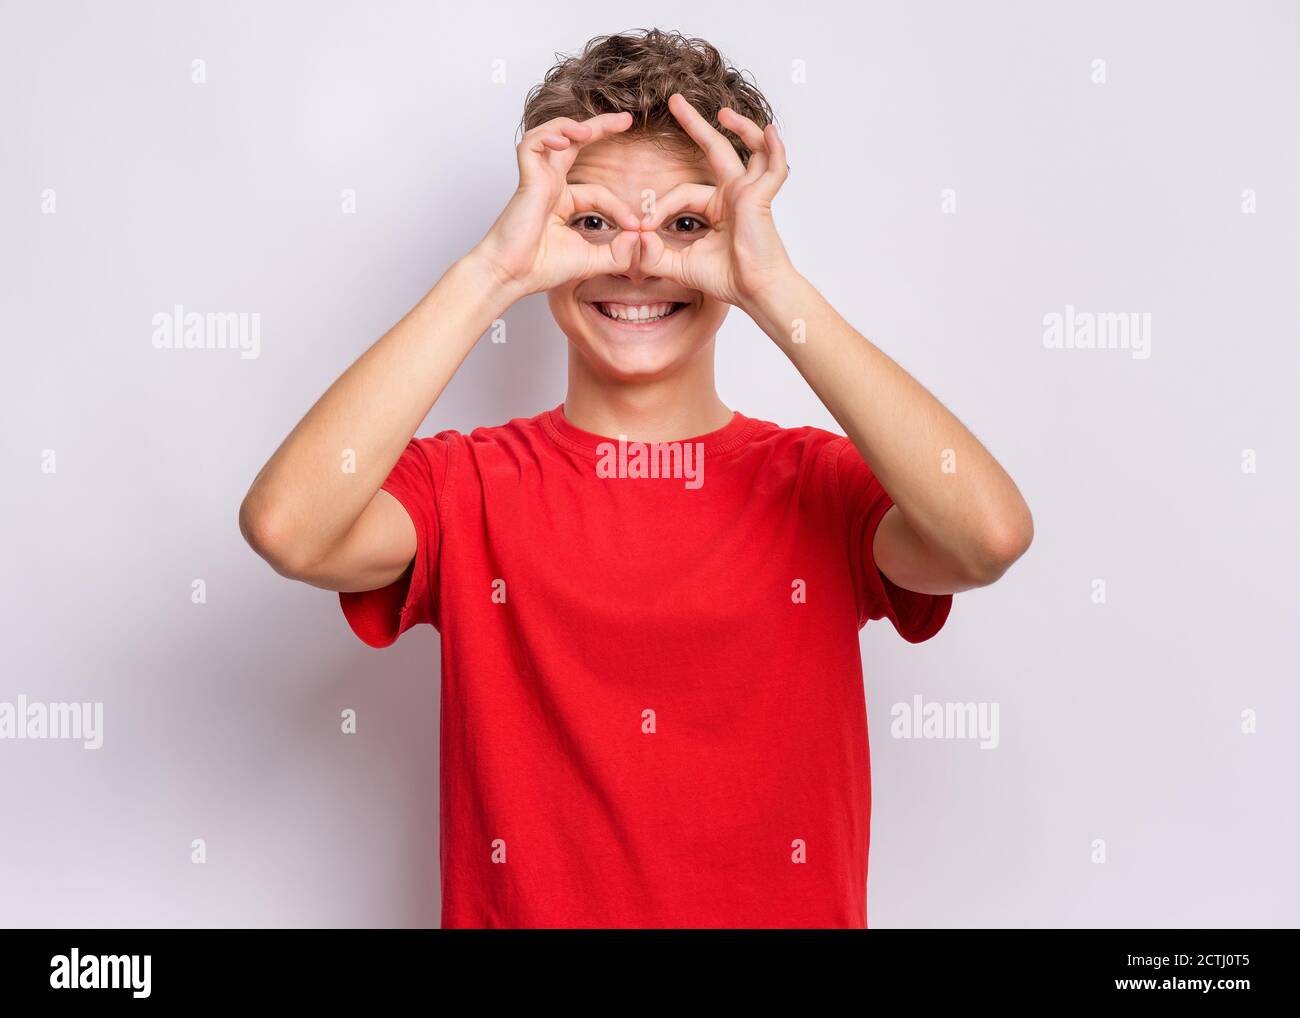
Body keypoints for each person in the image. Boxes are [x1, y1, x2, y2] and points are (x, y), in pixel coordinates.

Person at [239, 29, 1033, 928]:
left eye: (688, 225)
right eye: (594, 224)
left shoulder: (818, 485)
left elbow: (988, 536)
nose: (641, 260)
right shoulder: (470, 487)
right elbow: (288, 527)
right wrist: (490, 272)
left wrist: (774, 288)